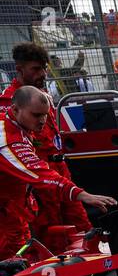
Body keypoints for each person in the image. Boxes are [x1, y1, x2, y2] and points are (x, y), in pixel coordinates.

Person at [0, 86, 116, 261]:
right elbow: (40, 174)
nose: (42, 120)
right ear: (15, 109)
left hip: (13, 211)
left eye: (45, 114)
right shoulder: (8, 140)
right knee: (13, 270)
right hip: (6, 218)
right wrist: (81, 194)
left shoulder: (13, 124)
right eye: (36, 115)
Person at [0, 41, 90, 239]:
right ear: (19, 70)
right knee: (50, 234)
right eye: (36, 69)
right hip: (36, 178)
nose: (42, 74)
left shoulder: (44, 96)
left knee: (82, 227)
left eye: (44, 68)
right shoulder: (8, 102)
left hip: (59, 170)